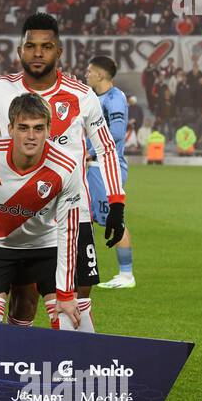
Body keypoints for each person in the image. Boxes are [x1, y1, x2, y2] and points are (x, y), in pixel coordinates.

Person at [0, 13, 125, 330]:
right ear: (20, 51)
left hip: (73, 214)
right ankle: (14, 361)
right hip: (21, 214)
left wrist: (117, 203)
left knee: (77, 298)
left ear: (59, 52)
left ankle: (78, 370)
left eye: (46, 46)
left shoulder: (82, 95)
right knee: (23, 300)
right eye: (31, 46)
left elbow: (107, 148)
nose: (38, 53)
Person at [0, 93, 83, 329]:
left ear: (48, 129)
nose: (31, 136)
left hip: (45, 246)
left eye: (38, 128)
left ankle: (39, 363)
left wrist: (65, 295)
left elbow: (69, 229)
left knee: (65, 319)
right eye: (23, 128)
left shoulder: (66, 166)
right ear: (10, 128)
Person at [85, 56, 136, 289]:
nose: (86, 75)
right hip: (92, 167)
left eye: (89, 71)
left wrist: (91, 153)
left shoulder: (115, 99)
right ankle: (82, 268)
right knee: (84, 217)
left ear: (100, 75)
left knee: (112, 220)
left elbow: (115, 133)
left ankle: (126, 275)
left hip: (106, 167)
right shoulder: (94, 98)